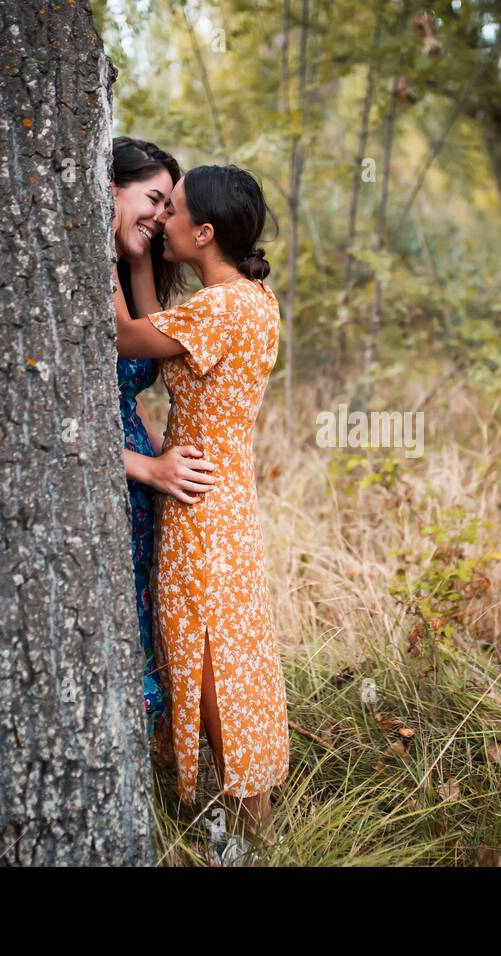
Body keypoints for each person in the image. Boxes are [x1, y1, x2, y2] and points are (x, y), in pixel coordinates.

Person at [115, 164, 289, 840]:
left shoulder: (220, 308)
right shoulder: (248, 299)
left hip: (202, 504)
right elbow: (153, 320)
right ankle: (247, 822)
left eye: (175, 210)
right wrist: (136, 262)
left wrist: (100, 243)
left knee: (211, 652)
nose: (163, 219)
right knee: (224, 648)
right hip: (222, 494)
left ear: (205, 231)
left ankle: (250, 830)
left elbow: (128, 335)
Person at [109, 137, 220, 739]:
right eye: (153, 198)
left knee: (148, 626)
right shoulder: (78, 279)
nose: (160, 217)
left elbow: (124, 394)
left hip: (142, 481)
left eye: (168, 207)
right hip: (111, 477)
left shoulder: (125, 278)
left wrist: (157, 458)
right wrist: (146, 467)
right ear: (108, 191)